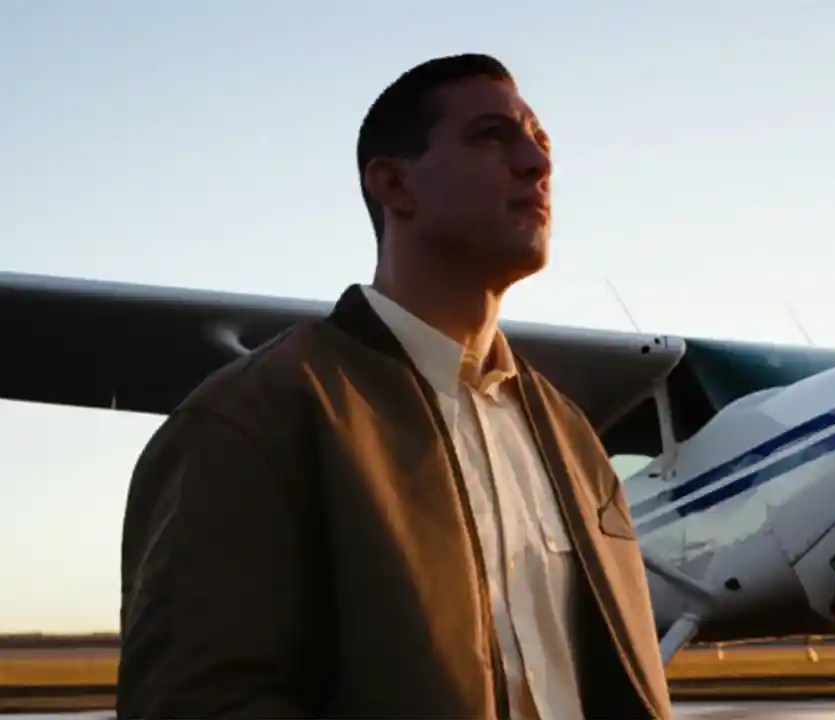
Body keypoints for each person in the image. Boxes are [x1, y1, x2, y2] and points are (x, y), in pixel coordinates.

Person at [116, 53, 673, 719]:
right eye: (492, 136)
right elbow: (195, 703)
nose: (536, 163)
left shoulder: (575, 440)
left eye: (541, 141)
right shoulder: (249, 419)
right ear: (392, 184)